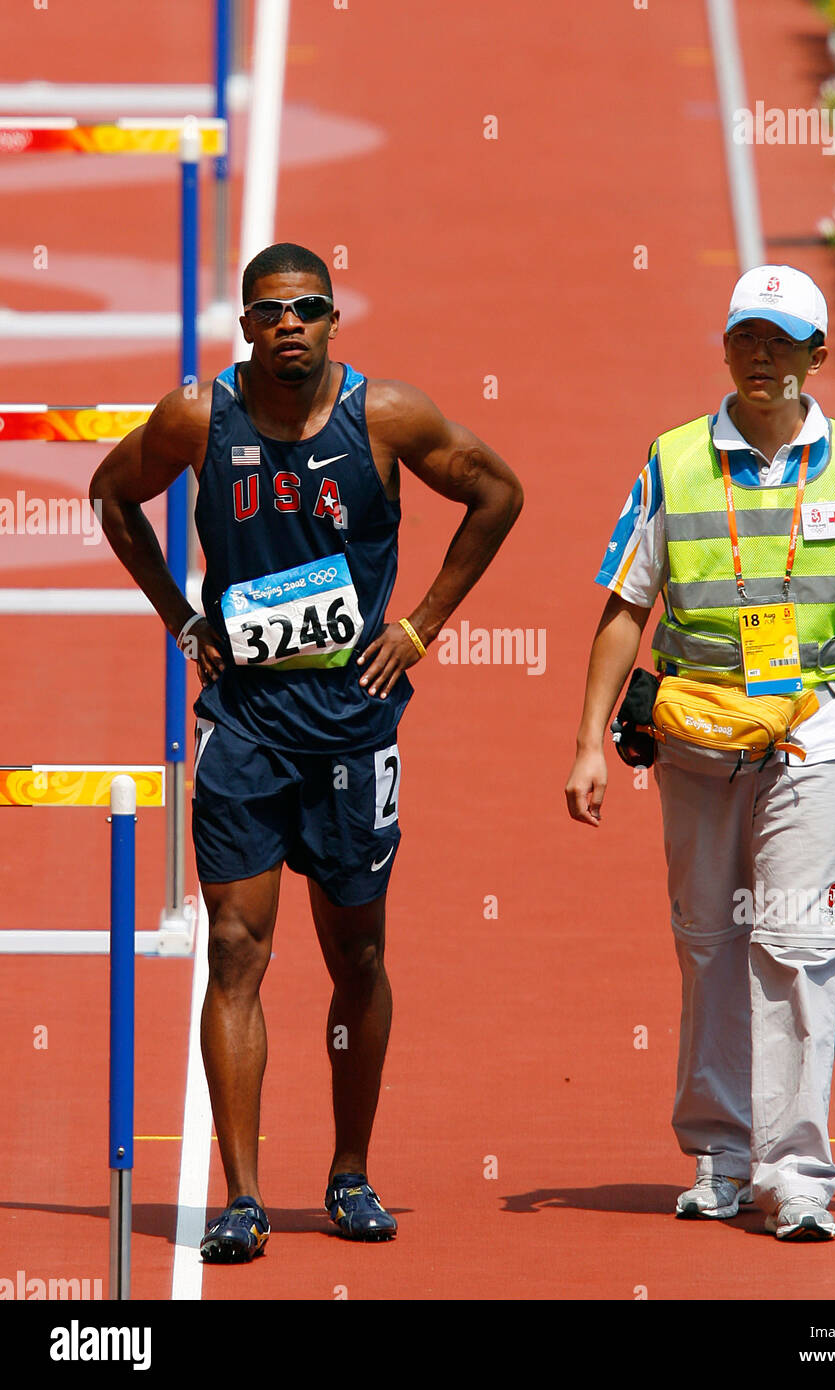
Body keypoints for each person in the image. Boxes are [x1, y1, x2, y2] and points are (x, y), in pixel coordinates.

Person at [91, 241, 523, 1261]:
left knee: (357, 954)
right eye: (271, 310)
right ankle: (242, 1197)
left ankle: (348, 1172)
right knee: (238, 950)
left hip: (351, 728)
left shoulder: (388, 417)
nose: (291, 323)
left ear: (335, 321)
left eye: (309, 307)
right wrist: (180, 618)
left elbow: (499, 492)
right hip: (243, 724)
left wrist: (418, 626)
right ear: (245, 326)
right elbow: (112, 495)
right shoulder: (198, 417)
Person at [565, 264, 835, 1241]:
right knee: (709, 943)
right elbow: (625, 608)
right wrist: (589, 743)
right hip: (695, 741)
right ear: (727, 347)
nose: (762, 355)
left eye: (783, 339)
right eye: (747, 336)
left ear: (817, 356)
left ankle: (799, 1170)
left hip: (813, 740)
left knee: (798, 944)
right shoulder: (676, 461)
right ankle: (721, 1154)